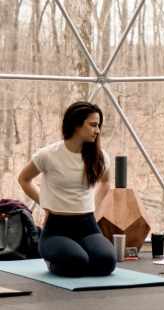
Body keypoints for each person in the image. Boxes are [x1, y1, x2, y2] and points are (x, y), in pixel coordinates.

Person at [16, 101, 116, 278]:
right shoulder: (48, 155)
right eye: (93, 125)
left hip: (88, 225)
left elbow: (106, 182)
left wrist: (96, 207)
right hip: (56, 228)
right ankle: (57, 259)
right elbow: (24, 179)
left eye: (99, 125)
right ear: (76, 124)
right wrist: (45, 203)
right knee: (76, 262)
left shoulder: (99, 156)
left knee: (106, 262)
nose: (98, 130)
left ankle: (79, 257)